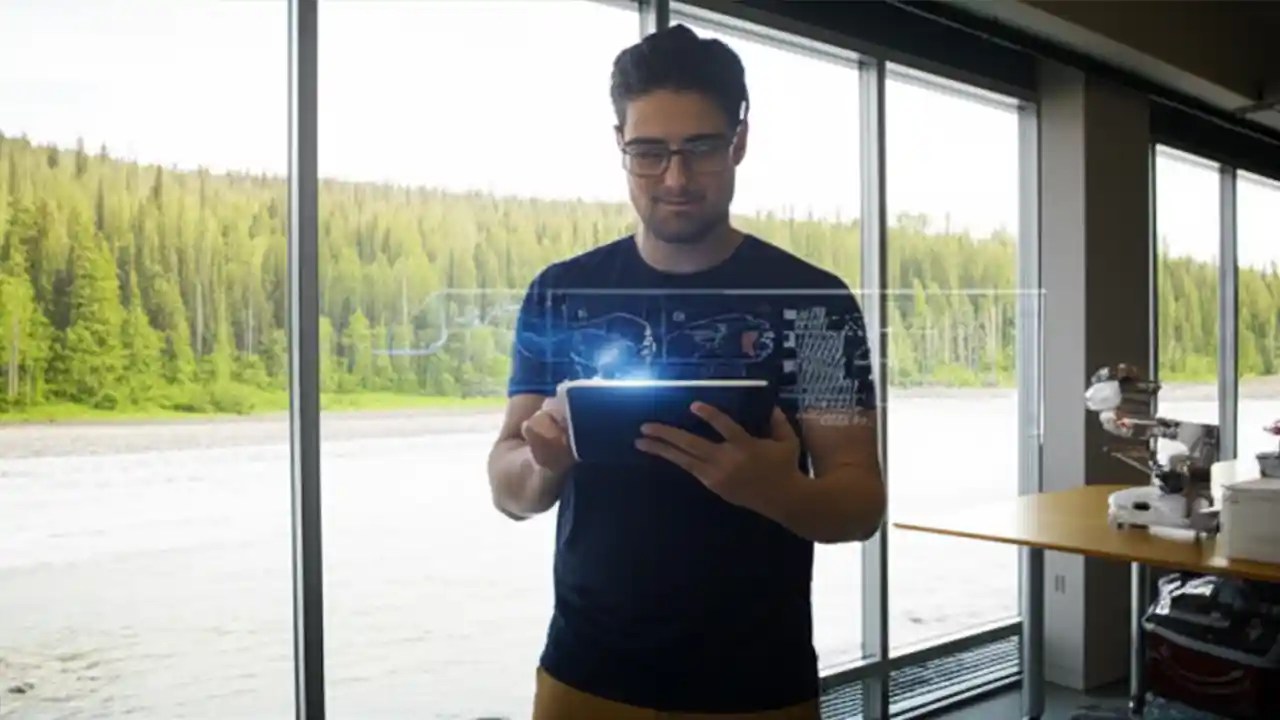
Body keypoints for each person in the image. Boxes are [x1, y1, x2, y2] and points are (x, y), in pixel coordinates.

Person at [486, 24, 886, 720]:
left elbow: (859, 502)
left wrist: (776, 491)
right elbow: (508, 484)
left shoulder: (816, 304)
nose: (674, 177)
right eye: (648, 152)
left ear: (739, 141)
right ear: (620, 146)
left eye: (699, 148)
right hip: (586, 678)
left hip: (759, 686)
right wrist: (544, 462)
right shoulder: (562, 292)